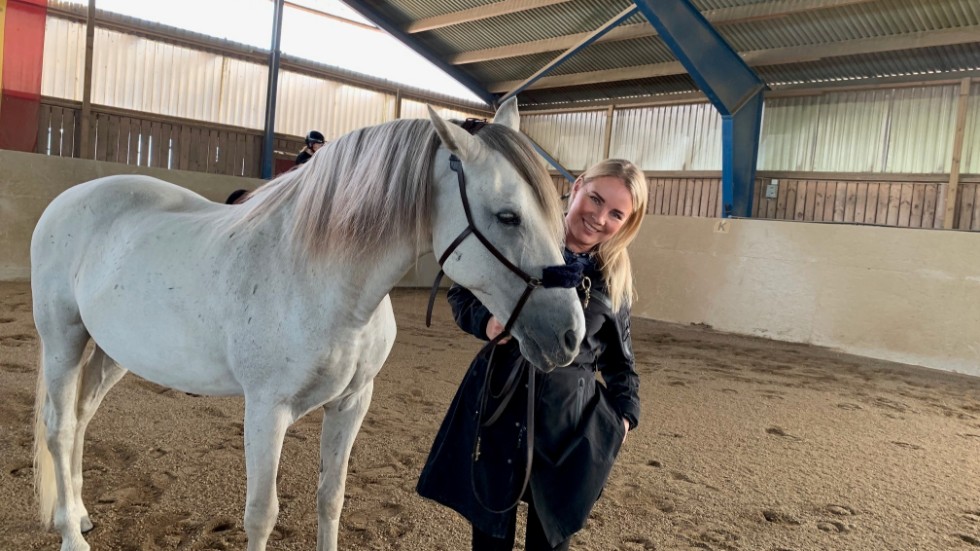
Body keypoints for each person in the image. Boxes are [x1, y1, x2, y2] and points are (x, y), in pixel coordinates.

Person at [417, 159, 649, 550]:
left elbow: (621, 362)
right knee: (490, 535)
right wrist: (487, 322)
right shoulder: (521, 240)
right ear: (576, 189)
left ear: (626, 224)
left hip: (569, 426)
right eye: (595, 199)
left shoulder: (614, 279)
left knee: (551, 541)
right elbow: (462, 293)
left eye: (616, 214)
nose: (599, 218)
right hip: (499, 406)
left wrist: (626, 417)